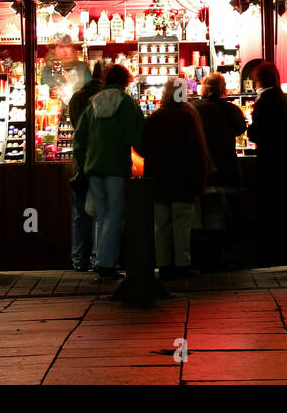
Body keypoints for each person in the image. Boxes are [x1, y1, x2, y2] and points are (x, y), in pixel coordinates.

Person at [73, 64, 144, 278]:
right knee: (115, 215)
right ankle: (106, 263)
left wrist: (84, 162)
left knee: (101, 216)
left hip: (94, 168)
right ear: (125, 81)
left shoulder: (93, 104)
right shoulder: (126, 103)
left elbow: (79, 139)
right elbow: (136, 135)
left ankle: (100, 261)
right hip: (115, 167)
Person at [142, 78, 209, 279]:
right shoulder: (188, 118)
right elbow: (197, 152)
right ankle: (182, 264)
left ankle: (163, 265)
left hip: (159, 181)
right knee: (182, 224)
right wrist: (199, 180)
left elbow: (143, 150)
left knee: (161, 225)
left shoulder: (153, 118)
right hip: (183, 179)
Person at [246, 62, 287, 265]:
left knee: (269, 208)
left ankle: (271, 254)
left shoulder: (264, 102)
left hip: (269, 160)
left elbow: (257, 132)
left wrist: (250, 131)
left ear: (259, 79)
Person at [65, 61, 104, 271]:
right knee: (100, 213)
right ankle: (99, 259)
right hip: (100, 160)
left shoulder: (76, 98)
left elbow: (75, 128)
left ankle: (79, 260)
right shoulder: (105, 99)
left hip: (79, 160)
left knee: (80, 214)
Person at [191, 73, 247, 188]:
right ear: (222, 88)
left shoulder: (192, 108)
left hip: (201, 165)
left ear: (203, 88)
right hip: (227, 165)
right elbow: (241, 129)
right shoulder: (232, 109)